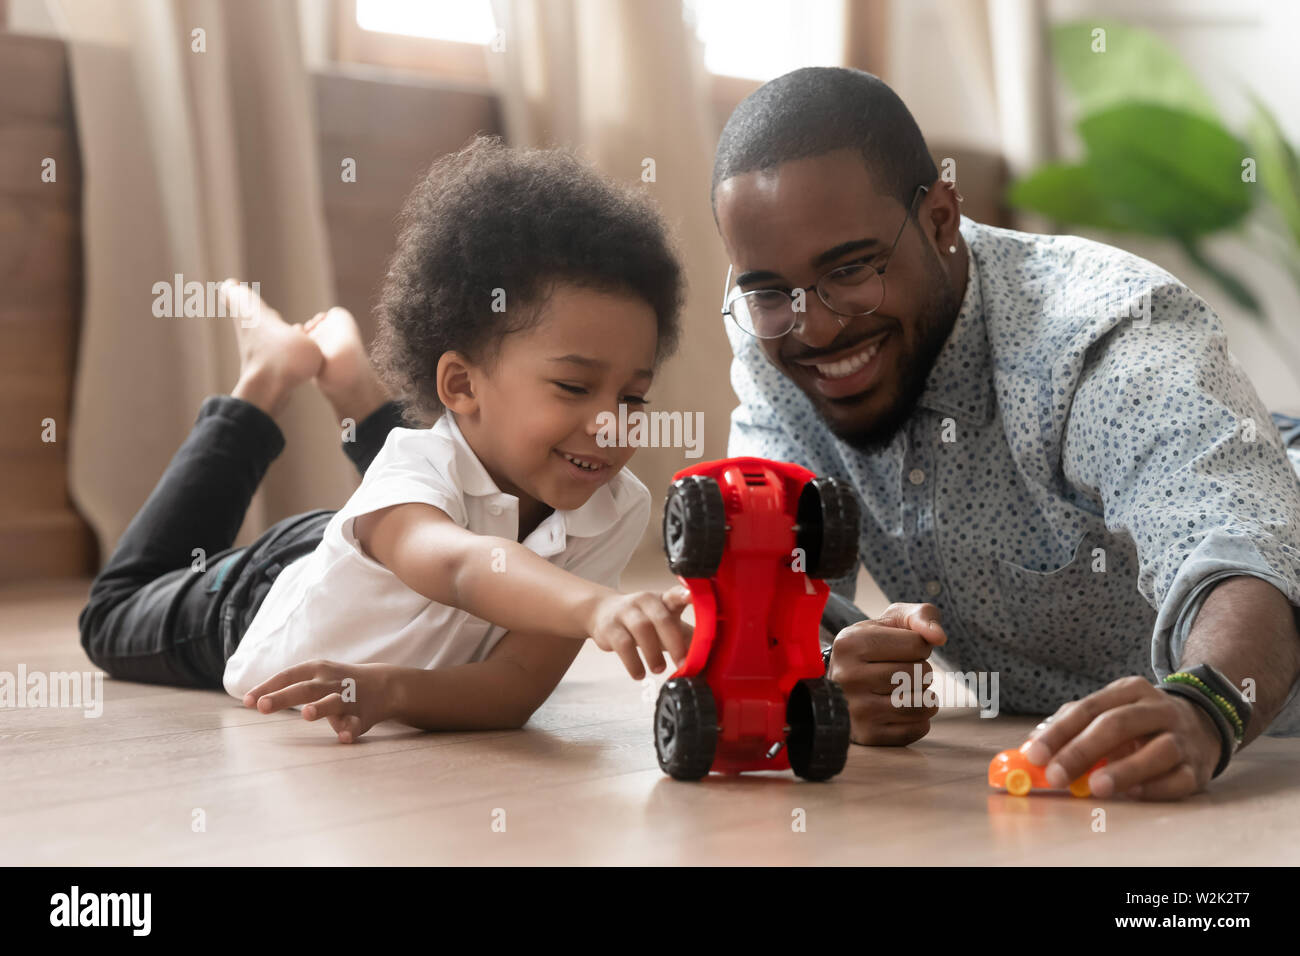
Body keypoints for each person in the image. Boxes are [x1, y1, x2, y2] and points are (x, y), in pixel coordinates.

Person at [713, 66, 1300, 800]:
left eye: (853, 270)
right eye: (770, 292)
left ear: (940, 220)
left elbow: (1244, 543)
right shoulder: (779, 341)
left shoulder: (1105, 333)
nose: (819, 327)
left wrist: (1205, 706)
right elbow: (776, 593)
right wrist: (834, 668)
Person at [79, 137, 693, 742]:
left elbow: (513, 686)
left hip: (386, 533)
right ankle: (266, 376)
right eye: (572, 386)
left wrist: (392, 690)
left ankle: (352, 387)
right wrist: (594, 607)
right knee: (111, 615)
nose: (611, 422)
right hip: (259, 595)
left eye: (633, 397)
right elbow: (458, 566)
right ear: (459, 381)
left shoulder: (614, 506)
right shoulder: (420, 477)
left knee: (449, 470)